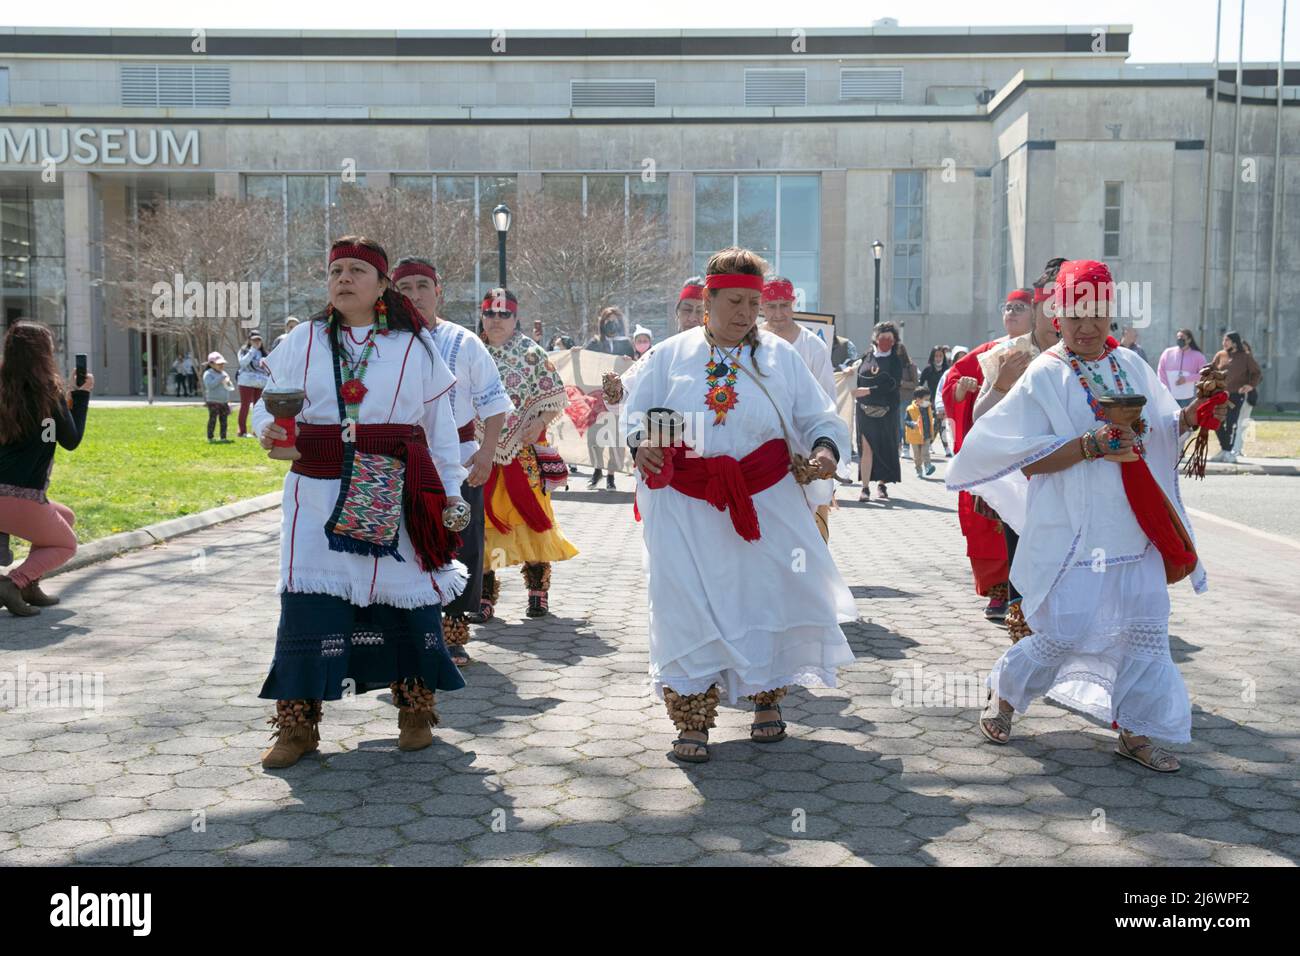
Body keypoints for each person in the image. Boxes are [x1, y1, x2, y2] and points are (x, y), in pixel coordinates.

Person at [947, 259, 1227, 773]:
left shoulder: (1131, 365)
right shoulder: (1047, 374)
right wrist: (1088, 445)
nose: (1087, 325)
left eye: (1098, 313)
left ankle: (1138, 733)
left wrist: (1195, 413)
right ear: (1058, 314)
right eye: (1076, 313)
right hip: (1075, 530)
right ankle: (1004, 696)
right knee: (1062, 632)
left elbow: (1161, 428)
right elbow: (1019, 454)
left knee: (1146, 627)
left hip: (1133, 526)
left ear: (1110, 312)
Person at [621, 246, 855, 765]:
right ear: (708, 299)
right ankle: (692, 717)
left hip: (765, 501)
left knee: (766, 596)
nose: (747, 313)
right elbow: (635, 417)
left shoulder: (781, 356)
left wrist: (822, 452)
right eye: (734, 301)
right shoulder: (669, 355)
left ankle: (766, 697)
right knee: (686, 603)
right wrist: (644, 443)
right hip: (686, 502)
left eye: (754, 302)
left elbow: (821, 417)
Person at [251, 235, 469, 770]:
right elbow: (267, 407)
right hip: (316, 487)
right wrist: (268, 431)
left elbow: (438, 429)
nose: (343, 279)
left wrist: (449, 494)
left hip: (390, 480)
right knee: (309, 603)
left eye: (356, 270)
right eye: (336, 271)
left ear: (381, 285)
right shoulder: (302, 340)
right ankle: (298, 726)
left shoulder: (413, 345)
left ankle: (414, 712)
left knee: (401, 596)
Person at [394, 257, 514, 667]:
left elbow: (494, 402)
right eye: (404, 287)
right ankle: (406, 630)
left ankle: (453, 631)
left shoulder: (464, 342)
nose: (413, 295)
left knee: (460, 544)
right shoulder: (383, 342)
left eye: (421, 286)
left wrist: (487, 452)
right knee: (403, 544)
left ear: (437, 290)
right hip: (398, 461)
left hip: (459, 461)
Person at [970, 259, 1067, 641]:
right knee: (1022, 555)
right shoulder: (1009, 354)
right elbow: (980, 415)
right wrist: (1002, 383)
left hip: (1074, 470)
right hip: (1022, 478)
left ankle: (1065, 630)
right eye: (1050, 303)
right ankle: (1023, 635)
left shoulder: (1086, 353)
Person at [478, 289, 580, 619]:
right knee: (485, 526)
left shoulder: (531, 353)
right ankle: (485, 596)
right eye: (490, 314)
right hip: (483, 453)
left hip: (523, 454)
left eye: (503, 314)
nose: (496, 320)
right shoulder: (473, 351)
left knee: (533, 520)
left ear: (515, 317)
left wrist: (539, 421)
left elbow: (555, 396)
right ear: (482, 316)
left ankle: (538, 593)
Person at [941, 289, 1036, 621]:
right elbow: (953, 382)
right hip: (997, 452)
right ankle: (1001, 592)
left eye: (1019, 308)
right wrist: (961, 390)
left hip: (1036, 451)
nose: (1010, 313)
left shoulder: (1049, 354)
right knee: (992, 522)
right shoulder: (989, 352)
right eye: (1007, 308)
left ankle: (1030, 594)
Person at [0, 321, 92, 616]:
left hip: (8, 497)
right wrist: (80, 395)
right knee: (66, 545)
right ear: (44, 354)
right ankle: (14, 583)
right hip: (20, 497)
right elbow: (71, 440)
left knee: (66, 516)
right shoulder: (48, 393)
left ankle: (30, 585)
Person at [758, 275, 840, 538]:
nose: (778, 313)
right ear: (761, 306)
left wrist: (827, 447)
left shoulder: (812, 346)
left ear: (794, 304)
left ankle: (811, 577)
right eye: (772, 306)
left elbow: (827, 401)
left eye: (784, 305)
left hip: (804, 447)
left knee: (809, 526)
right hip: (760, 444)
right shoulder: (751, 341)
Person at [853, 322, 904, 501]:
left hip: (887, 410)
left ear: (894, 341)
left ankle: (882, 485)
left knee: (884, 447)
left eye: (889, 339)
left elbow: (892, 384)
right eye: (882, 338)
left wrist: (869, 391)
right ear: (875, 338)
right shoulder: (866, 357)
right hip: (864, 410)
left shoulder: (895, 361)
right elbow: (855, 376)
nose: (885, 341)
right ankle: (865, 487)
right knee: (866, 448)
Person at [1210, 331, 1262, 464]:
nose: (1224, 343)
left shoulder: (1245, 357)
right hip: (1219, 395)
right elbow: (1212, 371)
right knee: (1217, 422)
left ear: (1234, 342)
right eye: (1223, 340)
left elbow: (1257, 373)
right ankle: (1224, 449)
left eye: (1227, 340)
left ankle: (1228, 452)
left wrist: (1250, 386)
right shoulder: (1220, 355)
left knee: (1231, 423)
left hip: (1235, 395)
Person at [1156, 329, 1208, 409]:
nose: (1180, 340)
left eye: (1182, 338)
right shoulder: (1168, 353)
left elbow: (1204, 374)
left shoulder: (1198, 356)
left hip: (1187, 397)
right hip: (1169, 395)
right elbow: (1161, 371)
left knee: (1183, 419)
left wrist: (1187, 379)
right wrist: (1165, 388)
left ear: (1189, 340)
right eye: (1178, 337)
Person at [918, 346, 952, 456]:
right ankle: (930, 444)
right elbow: (920, 384)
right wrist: (921, 398)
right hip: (929, 402)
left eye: (940, 356)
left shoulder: (947, 370)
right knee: (932, 424)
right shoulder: (928, 370)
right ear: (932, 357)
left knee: (941, 424)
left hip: (943, 401)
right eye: (936, 356)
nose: (938, 358)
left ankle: (946, 448)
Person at [236, 332, 270, 438]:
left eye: (258, 340)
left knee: (259, 407)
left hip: (261, 383)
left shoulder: (264, 353)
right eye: (254, 340)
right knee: (245, 406)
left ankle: (257, 430)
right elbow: (242, 363)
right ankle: (242, 431)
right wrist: (252, 350)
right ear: (249, 340)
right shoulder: (244, 350)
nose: (257, 342)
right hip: (246, 382)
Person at [903, 385, 937, 478]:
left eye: (928, 399)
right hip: (915, 436)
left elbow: (930, 418)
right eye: (926, 399)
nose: (928, 401)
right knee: (917, 456)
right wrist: (913, 424)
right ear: (918, 399)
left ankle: (928, 466)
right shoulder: (910, 409)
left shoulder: (928, 407)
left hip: (926, 435)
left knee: (925, 452)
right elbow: (906, 421)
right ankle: (918, 469)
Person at [202, 353, 234, 443]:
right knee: (213, 419)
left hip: (224, 401)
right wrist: (220, 378)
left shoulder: (224, 373)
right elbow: (209, 386)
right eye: (219, 364)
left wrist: (228, 383)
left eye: (222, 364)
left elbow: (229, 386)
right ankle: (210, 437)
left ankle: (223, 437)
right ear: (211, 364)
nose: (221, 365)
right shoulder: (208, 374)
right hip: (213, 400)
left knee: (224, 420)